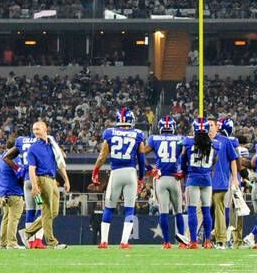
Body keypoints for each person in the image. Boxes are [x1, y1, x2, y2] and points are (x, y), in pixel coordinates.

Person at [93, 107, 146, 248]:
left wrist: (95, 171)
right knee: (129, 209)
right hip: (130, 173)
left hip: (115, 173)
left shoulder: (110, 133)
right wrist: (141, 178)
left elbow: (102, 155)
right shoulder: (138, 134)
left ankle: (104, 241)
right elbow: (141, 159)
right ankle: (124, 242)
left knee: (109, 208)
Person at [142, 115, 191, 249]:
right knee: (178, 211)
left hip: (161, 178)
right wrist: (183, 171)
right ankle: (182, 242)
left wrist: (150, 169)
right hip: (175, 178)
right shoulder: (180, 139)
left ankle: (166, 242)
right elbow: (188, 155)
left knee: (163, 211)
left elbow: (140, 154)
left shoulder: (154, 139)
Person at [24, 119, 69, 249]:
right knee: (47, 210)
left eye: (37, 129)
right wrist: (34, 185)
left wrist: (66, 179)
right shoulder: (34, 148)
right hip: (42, 179)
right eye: (34, 130)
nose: (35, 132)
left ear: (45, 129)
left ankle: (27, 232)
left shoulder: (52, 145)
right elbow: (31, 169)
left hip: (53, 179)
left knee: (53, 212)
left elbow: (60, 162)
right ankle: (52, 242)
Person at [184, 117, 217, 248]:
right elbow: (214, 162)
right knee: (206, 211)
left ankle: (193, 241)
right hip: (206, 178)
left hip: (193, 178)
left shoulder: (187, 141)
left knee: (192, 210)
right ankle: (207, 241)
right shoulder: (216, 144)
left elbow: (183, 160)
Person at [211, 117, 241, 248]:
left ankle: (221, 238)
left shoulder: (227, 141)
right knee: (203, 211)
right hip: (204, 181)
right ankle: (196, 238)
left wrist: (235, 178)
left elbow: (235, 160)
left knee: (222, 211)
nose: (210, 127)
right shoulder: (201, 140)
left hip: (222, 181)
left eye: (212, 125)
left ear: (217, 126)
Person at [0, 136, 28, 249]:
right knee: (13, 218)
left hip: (4, 192)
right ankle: (12, 242)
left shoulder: (1, 157)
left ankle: (3, 243)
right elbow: (20, 175)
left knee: (6, 218)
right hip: (14, 191)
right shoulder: (14, 158)